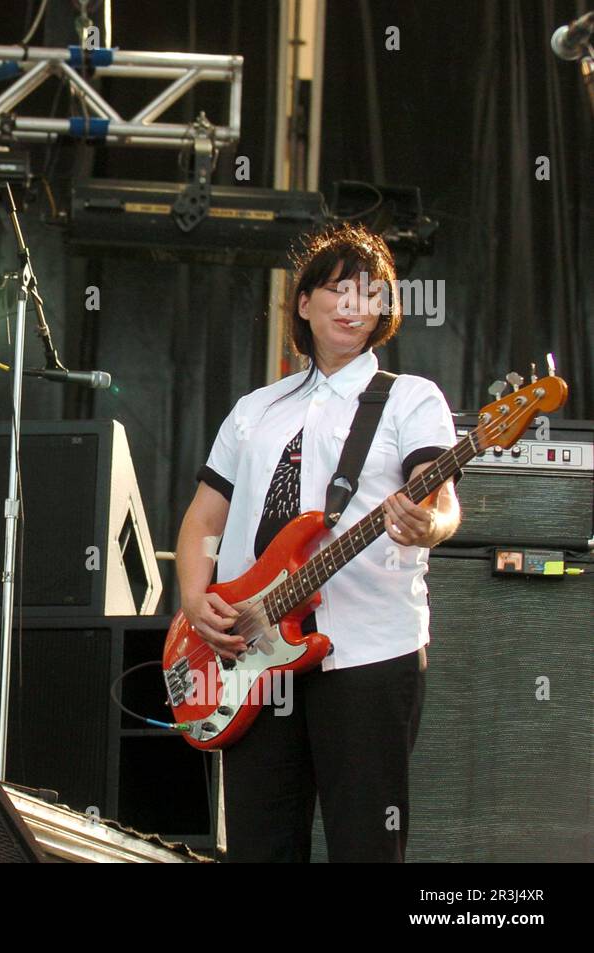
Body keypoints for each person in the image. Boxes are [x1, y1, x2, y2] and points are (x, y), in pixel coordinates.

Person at [173, 225, 461, 862]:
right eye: (338, 289)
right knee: (260, 849)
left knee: (366, 846)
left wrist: (431, 524)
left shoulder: (409, 399)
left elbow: (437, 498)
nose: (355, 304)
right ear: (304, 303)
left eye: (370, 293)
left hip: (366, 654)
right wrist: (195, 599)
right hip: (250, 652)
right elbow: (204, 520)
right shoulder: (255, 409)